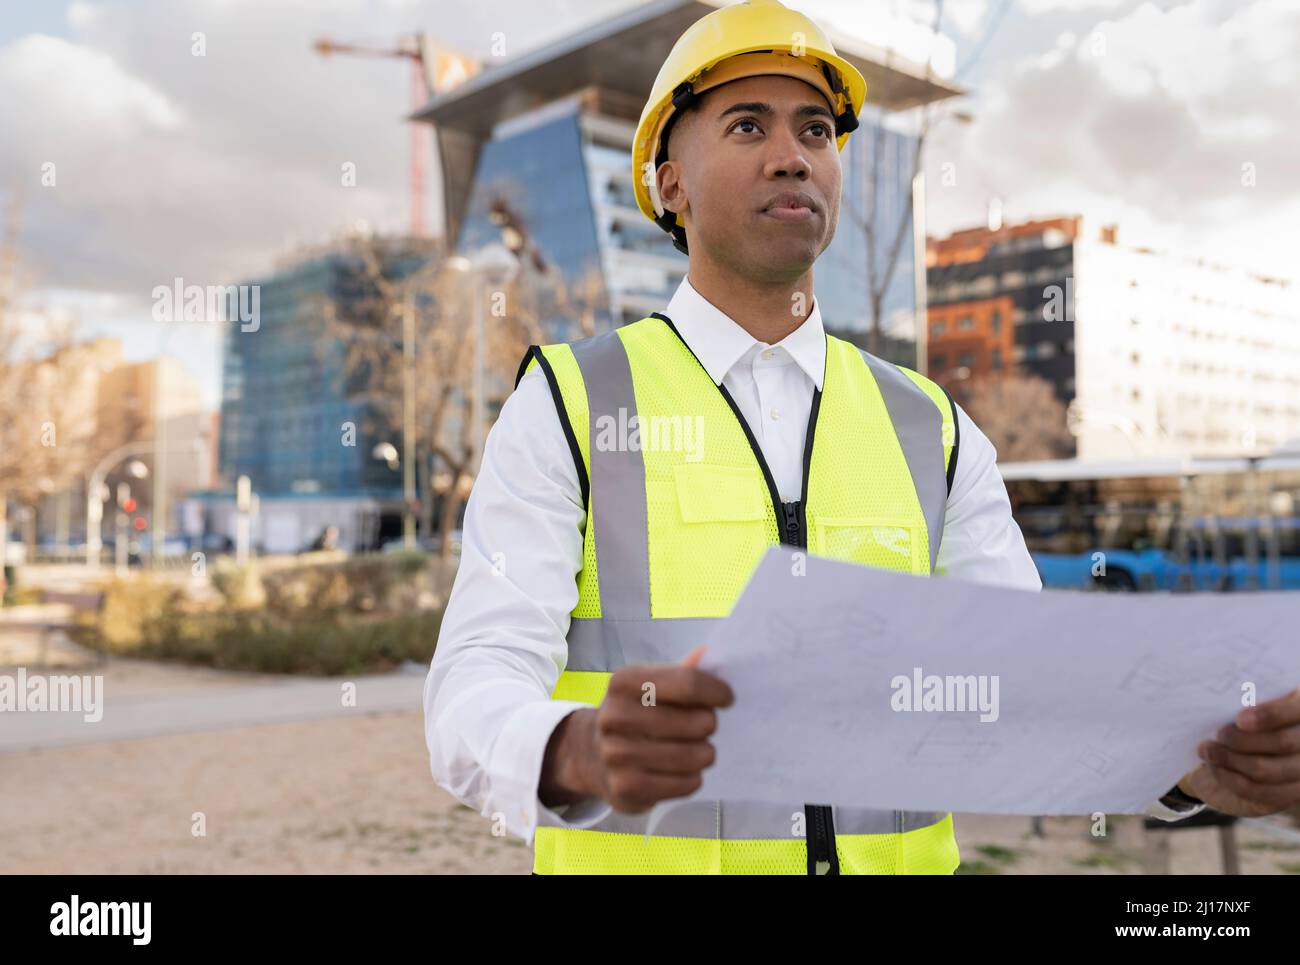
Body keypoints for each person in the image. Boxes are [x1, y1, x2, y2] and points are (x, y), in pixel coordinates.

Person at [424, 0, 1300, 874]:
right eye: (746, 125)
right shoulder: (569, 407)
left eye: (815, 130)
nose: (791, 156)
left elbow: (1035, 686)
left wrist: (1194, 768)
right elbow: (472, 685)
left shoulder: (934, 428)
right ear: (670, 182)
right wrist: (569, 749)